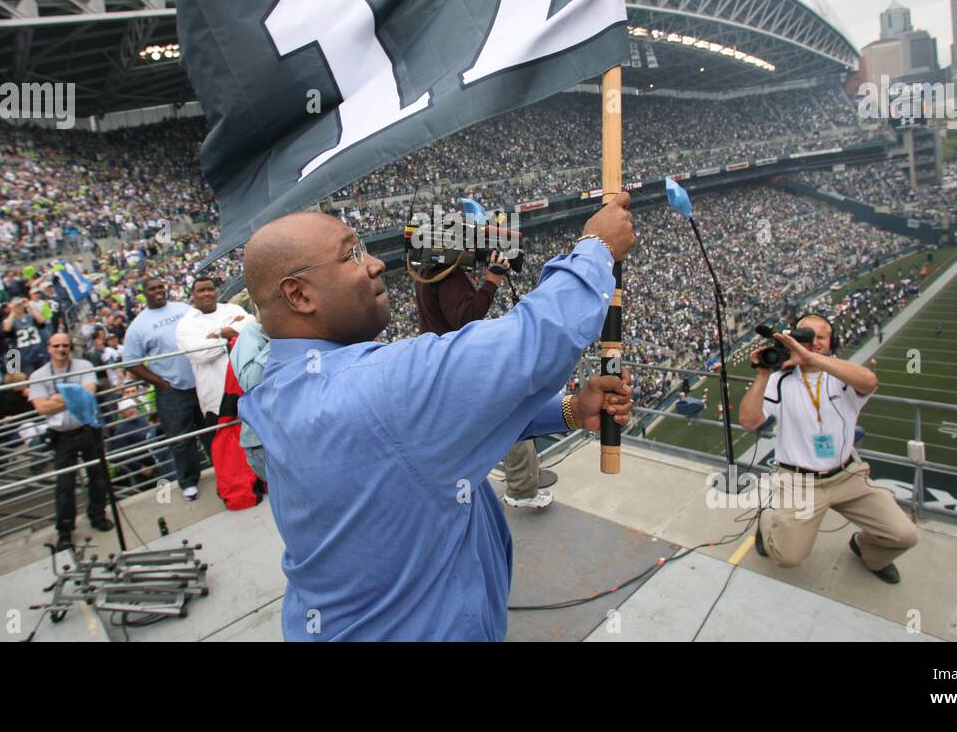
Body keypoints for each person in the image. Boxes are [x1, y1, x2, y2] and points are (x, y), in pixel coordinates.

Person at [237, 195, 636, 640]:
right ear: (298, 294)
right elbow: (534, 339)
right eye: (351, 254)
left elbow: (419, 437)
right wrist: (597, 247)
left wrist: (571, 409)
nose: (375, 265)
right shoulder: (377, 385)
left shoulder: (278, 390)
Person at [738, 314, 916, 584]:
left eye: (820, 337)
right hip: (800, 480)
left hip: (847, 475)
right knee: (788, 558)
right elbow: (750, 422)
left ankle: (867, 550)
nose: (814, 342)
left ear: (832, 342)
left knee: (904, 535)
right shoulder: (780, 381)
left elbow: (869, 381)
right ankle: (767, 521)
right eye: (806, 336)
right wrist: (763, 373)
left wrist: (812, 360)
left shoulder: (841, 375)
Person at [413, 246, 552, 509]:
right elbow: (466, 316)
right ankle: (522, 490)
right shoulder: (446, 274)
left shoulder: (427, 270)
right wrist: (493, 280)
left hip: (441, 365)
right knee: (513, 414)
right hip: (458, 367)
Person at [28, 333, 113, 551]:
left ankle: (97, 514)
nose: (61, 349)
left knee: (98, 476)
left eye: (65, 345)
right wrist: (71, 397)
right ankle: (65, 530)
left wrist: (55, 399)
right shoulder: (38, 375)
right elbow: (41, 408)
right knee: (64, 484)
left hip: (87, 430)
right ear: (49, 348)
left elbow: (87, 396)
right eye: (56, 345)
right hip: (62, 435)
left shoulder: (83, 364)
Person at [122, 276, 203, 501]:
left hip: (201, 381)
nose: (158, 291)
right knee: (181, 439)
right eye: (152, 288)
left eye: (160, 287)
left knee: (210, 430)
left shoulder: (183, 308)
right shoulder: (138, 325)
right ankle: (188, 482)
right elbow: (130, 361)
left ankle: (223, 471)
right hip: (173, 391)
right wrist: (159, 382)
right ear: (144, 293)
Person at [175, 277, 252, 458]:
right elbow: (200, 353)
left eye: (209, 289)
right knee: (228, 453)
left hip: (246, 390)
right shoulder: (186, 324)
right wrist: (230, 333)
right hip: (217, 398)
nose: (207, 293)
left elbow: (251, 326)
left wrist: (216, 334)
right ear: (193, 295)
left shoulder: (232, 308)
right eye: (201, 291)